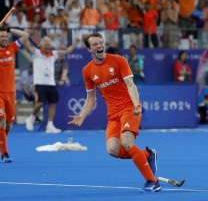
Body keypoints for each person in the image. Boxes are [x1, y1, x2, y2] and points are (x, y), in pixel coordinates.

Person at [69, 33, 161, 192]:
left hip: (129, 108)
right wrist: (82, 115)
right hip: (113, 114)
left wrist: (136, 105)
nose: (99, 46)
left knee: (126, 142)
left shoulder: (119, 60)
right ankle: (147, 155)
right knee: (113, 150)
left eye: (101, 43)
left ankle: (152, 181)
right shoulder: (87, 71)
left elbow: (131, 85)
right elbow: (91, 98)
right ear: (89, 49)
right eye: (95, 44)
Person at [0, 24, 29, 162]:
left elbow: (25, 36)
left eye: (6, 36)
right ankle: (4, 154)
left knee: (8, 126)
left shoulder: (11, 48)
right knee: (1, 122)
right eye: (1, 36)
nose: (5, 38)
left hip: (10, 93)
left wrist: (9, 29)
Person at [24, 36, 77, 133]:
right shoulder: (36, 53)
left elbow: (66, 51)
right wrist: (26, 37)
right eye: (46, 47)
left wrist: (75, 43)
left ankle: (50, 125)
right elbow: (27, 46)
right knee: (40, 103)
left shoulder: (54, 54)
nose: (48, 49)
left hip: (51, 83)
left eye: (49, 47)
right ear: (41, 46)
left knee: (53, 103)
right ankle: (31, 117)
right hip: (40, 83)